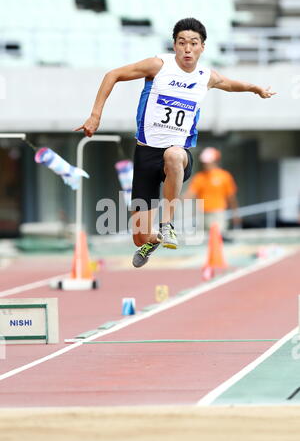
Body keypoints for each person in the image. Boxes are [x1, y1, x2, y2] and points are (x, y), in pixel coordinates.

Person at [75, 17, 276, 268]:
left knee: (173, 154)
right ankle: (153, 239)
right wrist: (95, 115)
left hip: (179, 155)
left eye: (193, 43)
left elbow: (232, 84)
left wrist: (255, 88)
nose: (187, 49)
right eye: (182, 43)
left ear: (202, 47)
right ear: (174, 45)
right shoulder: (158, 66)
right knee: (139, 236)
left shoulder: (206, 76)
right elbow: (112, 75)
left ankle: (167, 224)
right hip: (146, 154)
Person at [183, 146, 240, 239]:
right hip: (202, 212)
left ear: (215, 161)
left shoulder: (224, 176)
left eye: (208, 162)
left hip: (218, 212)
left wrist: (235, 213)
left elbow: (231, 196)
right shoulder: (199, 177)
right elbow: (190, 193)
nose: (206, 164)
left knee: (218, 236)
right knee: (206, 239)